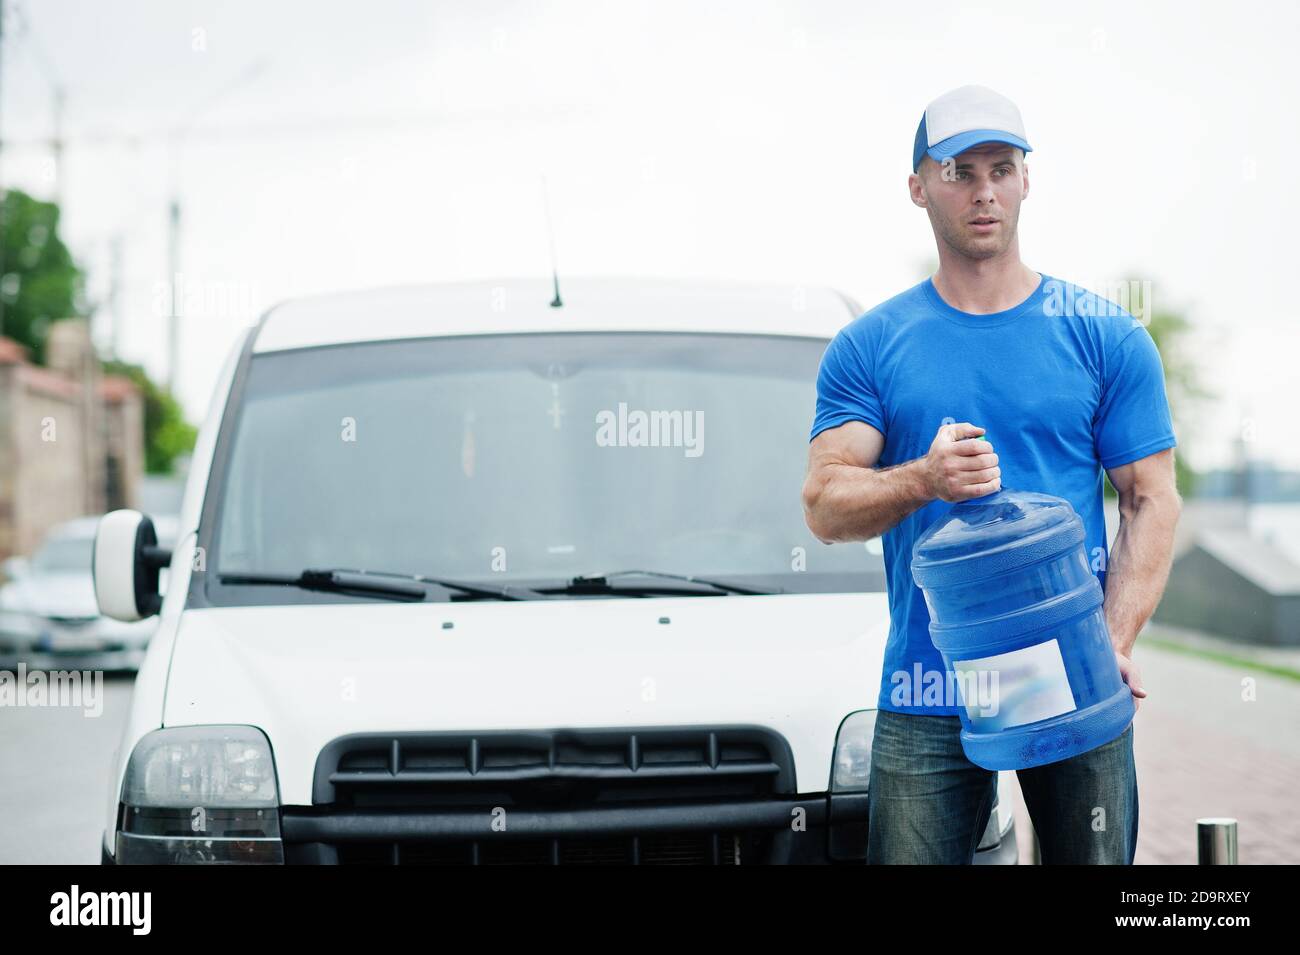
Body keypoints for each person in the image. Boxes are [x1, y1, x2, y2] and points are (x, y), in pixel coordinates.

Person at [801, 84, 1182, 864]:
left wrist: (1111, 637)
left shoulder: (1103, 335)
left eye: (1001, 169)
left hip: (1070, 667)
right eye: (959, 171)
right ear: (918, 187)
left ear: (1025, 181)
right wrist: (923, 479)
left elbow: (1151, 498)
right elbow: (825, 505)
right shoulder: (871, 344)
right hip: (930, 677)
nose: (984, 191)